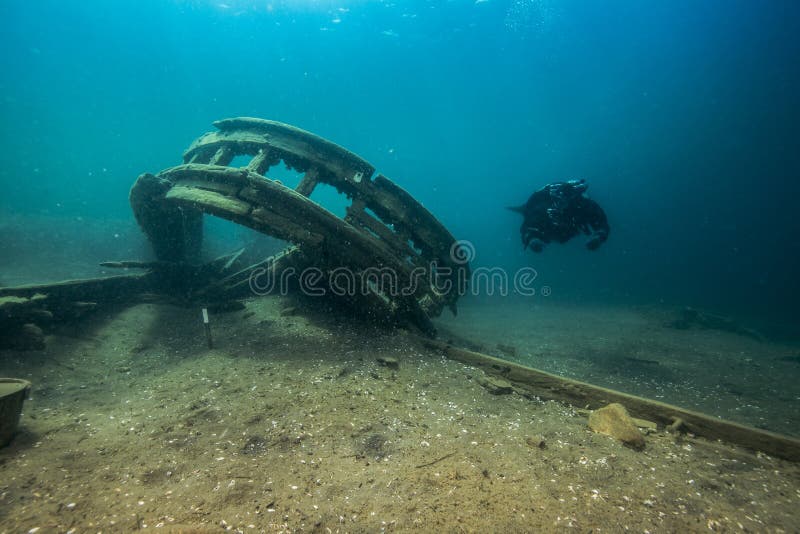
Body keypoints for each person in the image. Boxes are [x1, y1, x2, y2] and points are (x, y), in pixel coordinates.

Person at [508, 179, 609, 252]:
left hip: (566, 229)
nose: (563, 203)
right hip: (548, 227)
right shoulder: (541, 206)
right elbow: (528, 225)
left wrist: (598, 237)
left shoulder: (584, 205)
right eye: (559, 199)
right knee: (535, 218)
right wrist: (532, 240)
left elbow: (602, 222)